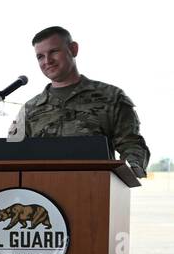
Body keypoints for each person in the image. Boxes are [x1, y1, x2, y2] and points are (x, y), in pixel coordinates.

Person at [11, 26, 148, 177]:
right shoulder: (30, 108)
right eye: (40, 56)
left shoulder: (111, 97)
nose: (47, 61)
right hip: (41, 195)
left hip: (95, 188)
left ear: (73, 49)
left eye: (54, 52)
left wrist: (131, 170)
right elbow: (12, 153)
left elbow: (131, 143)